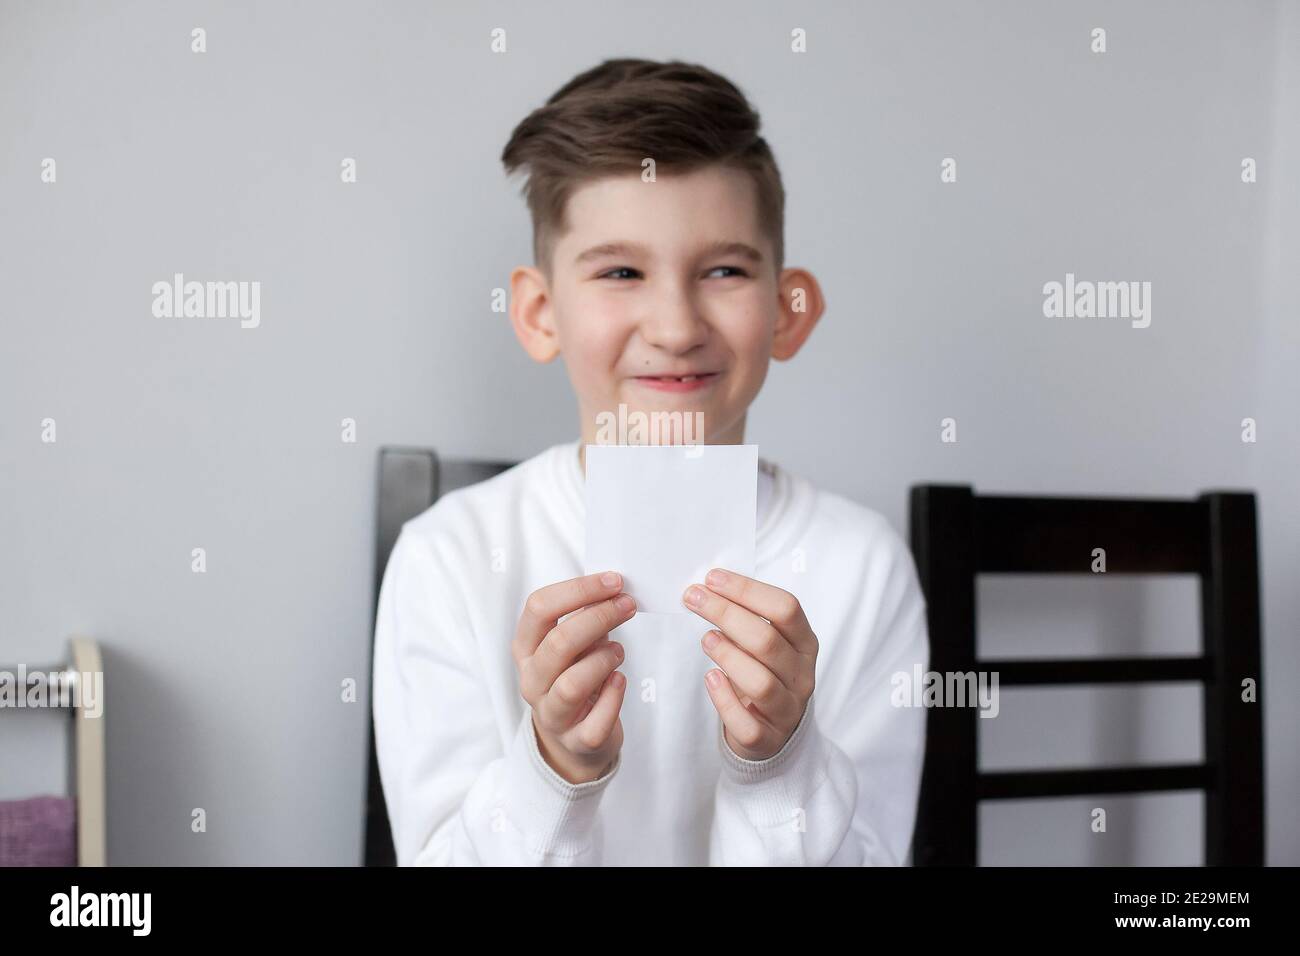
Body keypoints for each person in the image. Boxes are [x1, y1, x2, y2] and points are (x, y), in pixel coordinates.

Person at [372, 58, 929, 865]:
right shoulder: (448, 558)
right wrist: (554, 770)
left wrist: (780, 766)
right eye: (621, 272)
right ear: (538, 312)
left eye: (725, 270)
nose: (674, 326)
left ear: (787, 309)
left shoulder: (864, 565)